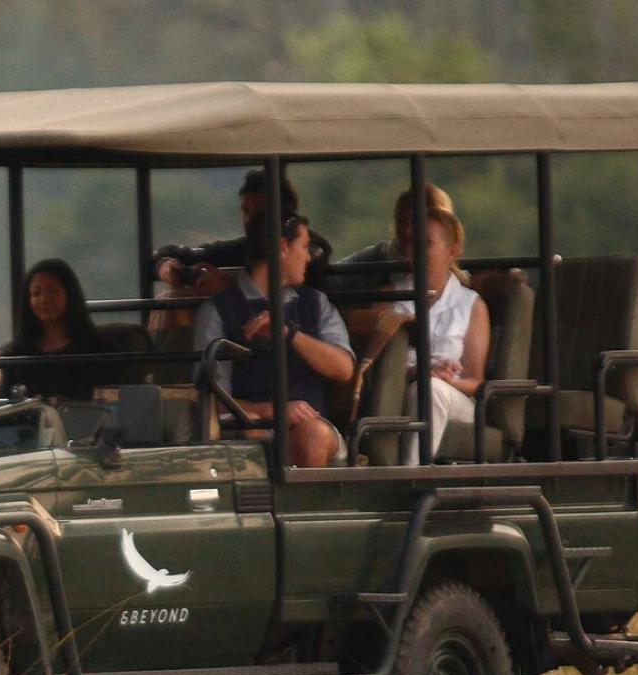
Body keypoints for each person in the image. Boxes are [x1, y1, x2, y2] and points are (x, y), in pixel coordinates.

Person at [193, 213, 354, 468]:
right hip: (248, 423)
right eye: (303, 247)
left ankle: (301, 505)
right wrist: (274, 410)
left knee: (312, 436)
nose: (309, 257)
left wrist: (289, 334)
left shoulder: (315, 303)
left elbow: (344, 368)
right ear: (282, 247)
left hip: (312, 425)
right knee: (251, 430)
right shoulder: (218, 311)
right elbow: (213, 398)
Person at [389, 206, 489, 465]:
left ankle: (412, 478)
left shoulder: (471, 305)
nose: (416, 251)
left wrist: (445, 379)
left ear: (452, 251)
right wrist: (421, 370)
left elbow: (475, 381)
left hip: (452, 396)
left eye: (427, 243)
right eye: (411, 243)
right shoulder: (392, 295)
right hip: (400, 387)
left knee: (430, 390)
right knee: (424, 388)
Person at [153, 168, 332, 293]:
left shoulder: (312, 249)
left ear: (286, 212)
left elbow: (309, 264)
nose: (250, 220)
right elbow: (179, 253)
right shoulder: (244, 248)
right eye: (246, 211)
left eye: (261, 212)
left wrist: (230, 285)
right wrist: (166, 265)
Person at [0, 258, 108, 404]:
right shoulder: (14, 355)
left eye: (53, 291)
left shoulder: (96, 349)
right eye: (36, 293)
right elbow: (3, 407)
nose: (44, 299)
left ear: (70, 295)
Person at [335, 184, 457, 292]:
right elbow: (331, 279)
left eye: (417, 221)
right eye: (401, 221)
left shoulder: (456, 278)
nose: (407, 230)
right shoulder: (375, 257)